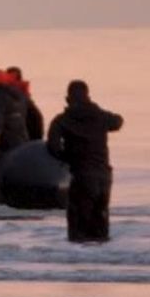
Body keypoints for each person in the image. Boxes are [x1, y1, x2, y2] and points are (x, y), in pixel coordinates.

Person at [46, 80, 125, 244]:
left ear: (67, 99)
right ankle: (101, 265)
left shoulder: (61, 121)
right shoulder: (100, 116)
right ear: (88, 96)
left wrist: (68, 157)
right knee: (101, 231)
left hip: (81, 177)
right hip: (104, 178)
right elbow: (118, 121)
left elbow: (52, 147)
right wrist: (95, 110)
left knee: (78, 234)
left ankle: (80, 266)